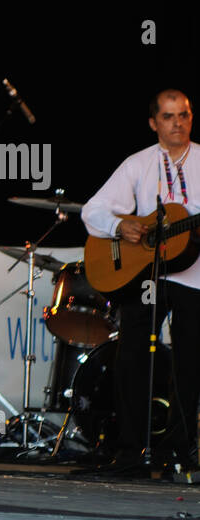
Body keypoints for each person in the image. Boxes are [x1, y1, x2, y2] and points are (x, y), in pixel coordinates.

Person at [81, 89, 200, 469]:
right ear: (154, 123)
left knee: (190, 361)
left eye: (183, 115)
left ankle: (179, 452)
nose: (177, 123)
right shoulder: (138, 163)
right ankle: (130, 450)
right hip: (146, 274)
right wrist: (120, 225)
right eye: (168, 116)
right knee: (132, 355)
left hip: (194, 276)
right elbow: (92, 210)